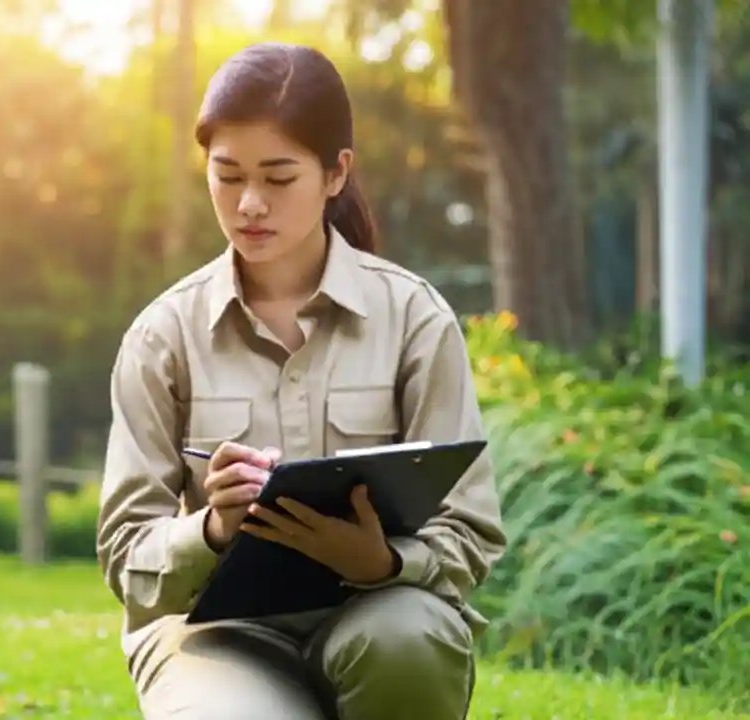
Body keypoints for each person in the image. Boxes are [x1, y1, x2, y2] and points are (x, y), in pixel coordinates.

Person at [96, 42, 506, 719]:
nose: (249, 204)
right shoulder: (161, 337)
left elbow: (471, 529)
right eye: (227, 176)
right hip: (216, 633)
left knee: (409, 639)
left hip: (378, 610)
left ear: (335, 173)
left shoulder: (413, 319)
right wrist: (213, 529)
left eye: (278, 178)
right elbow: (126, 554)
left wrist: (380, 564)